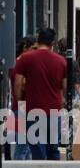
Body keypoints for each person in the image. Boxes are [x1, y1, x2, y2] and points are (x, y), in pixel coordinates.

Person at [12, 28, 68, 160]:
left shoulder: (25, 59)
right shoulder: (61, 61)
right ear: (52, 43)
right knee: (53, 150)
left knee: (37, 150)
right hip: (54, 111)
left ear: (38, 40)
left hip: (33, 111)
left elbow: (18, 84)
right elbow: (65, 86)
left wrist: (21, 103)